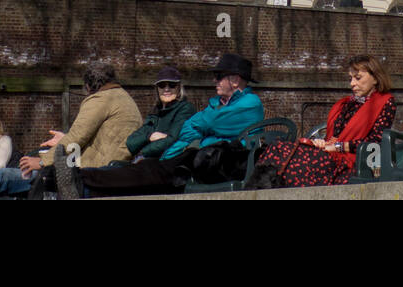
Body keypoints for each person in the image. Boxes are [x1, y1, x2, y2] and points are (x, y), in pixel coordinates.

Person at [0, 62, 141, 199]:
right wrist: (65, 140)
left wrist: (43, 161)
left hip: (86, 172)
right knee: (8, 180)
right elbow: (95, 137)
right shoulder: (124, 99)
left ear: (89, 86)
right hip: (101, 168)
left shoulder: (100, 99)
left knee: (8, 175)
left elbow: (77, 138)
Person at [75, 52, 264, 198]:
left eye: (219, 76)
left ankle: (81, 180)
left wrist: (202, 127)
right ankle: (81, 182)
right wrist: (201, 127)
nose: (214, 80)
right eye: (161, 85)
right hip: (194, 155)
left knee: (148, 171)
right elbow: (189, 128)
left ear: (235, 79)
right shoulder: (215, 104)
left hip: (215, 163)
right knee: (142, 170)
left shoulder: (250, 103)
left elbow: (201, 123)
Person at [252, 55, 396, 187]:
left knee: (291, 159)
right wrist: (323, 143)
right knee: (277, 147)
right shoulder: (347, 104)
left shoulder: (384, 103)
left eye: (358, 78)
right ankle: (258, 188)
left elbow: (375, 142)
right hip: (331, 152)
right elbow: (333, 137)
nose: (352, 83)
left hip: (352, 160)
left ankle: (263, 189)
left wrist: (337, 147)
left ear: (375, 78)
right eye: (350, 78)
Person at [125, 66, 196, 162]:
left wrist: (142, 152)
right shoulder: (155, 111)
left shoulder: (185, 109)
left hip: (168, 162)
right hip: (147, 161)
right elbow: (131, 142)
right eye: (162, 85)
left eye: (172, 85)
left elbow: (172, 140)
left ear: (179, 88)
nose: (166, 89)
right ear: (157, 89)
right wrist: (149, 136)